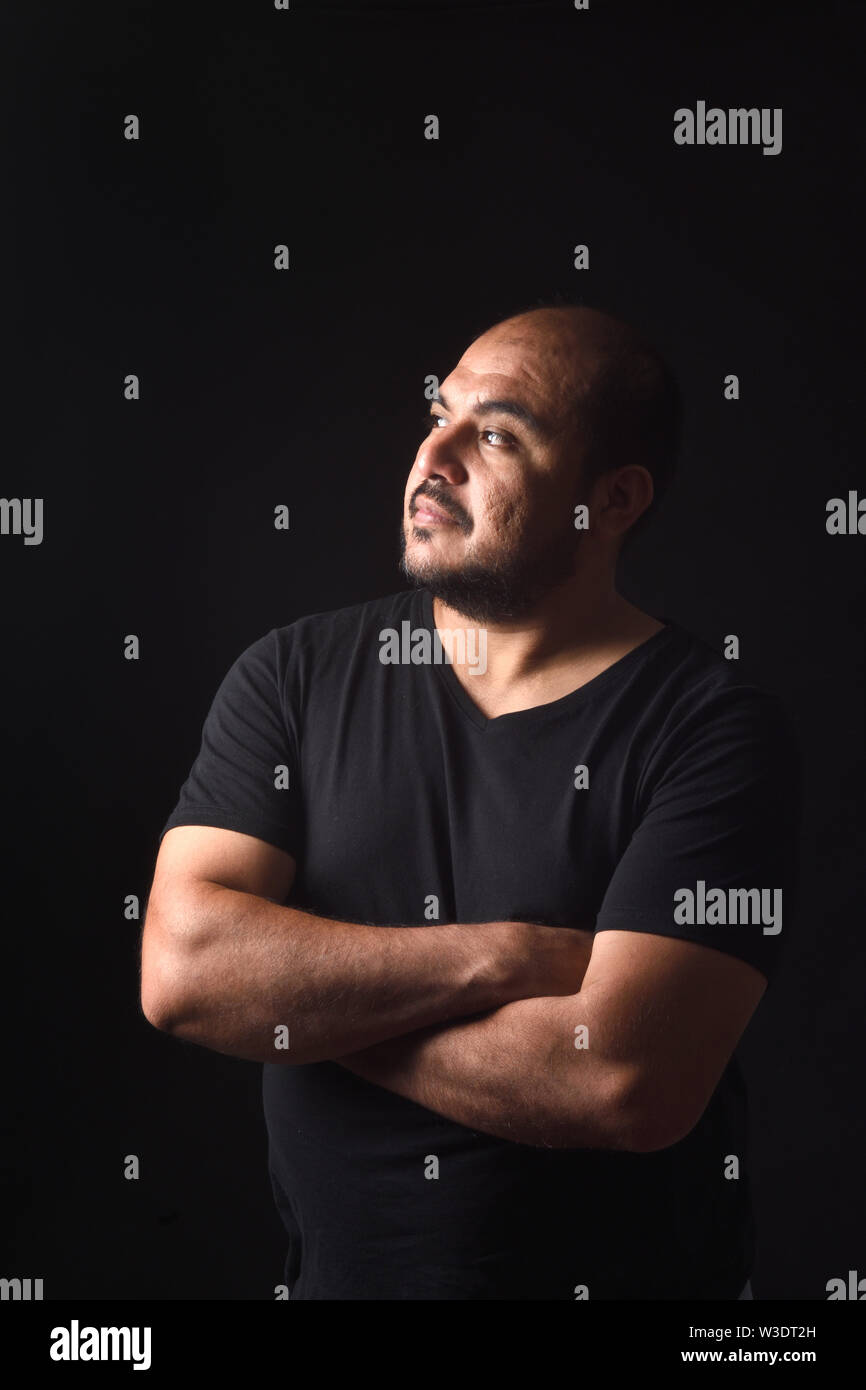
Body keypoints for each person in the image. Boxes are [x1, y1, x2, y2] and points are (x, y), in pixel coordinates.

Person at [141, 303, 801, 1300]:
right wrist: (507, 958)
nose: (433, 454)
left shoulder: (710, 727)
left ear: (611, 497)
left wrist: (299, 1003)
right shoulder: (291, 678)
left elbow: (623, 1081)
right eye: (437, 415)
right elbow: (185, 971)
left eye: (496, 433)